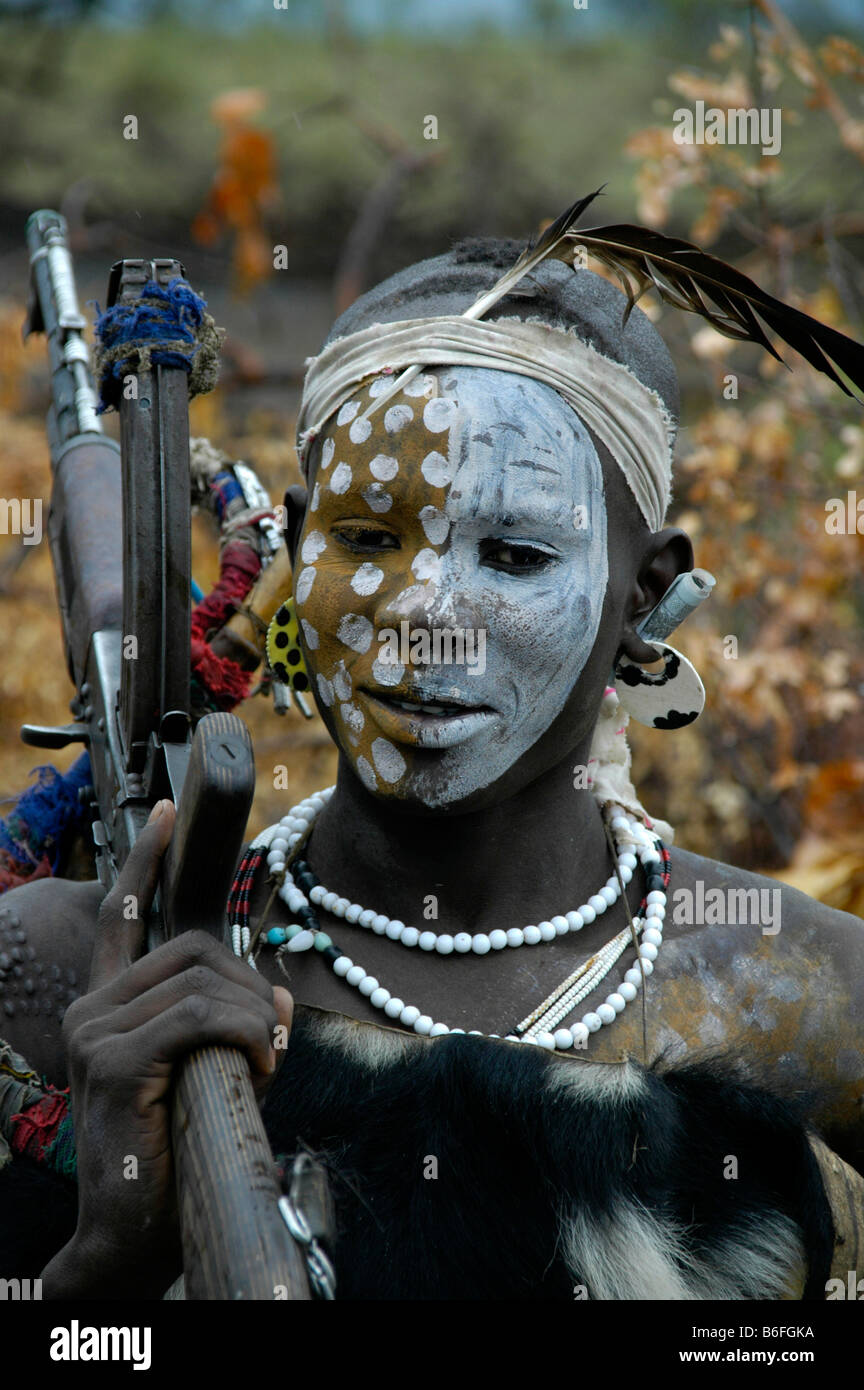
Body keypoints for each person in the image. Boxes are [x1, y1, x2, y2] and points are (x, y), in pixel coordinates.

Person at [0, 232, 862, 1301]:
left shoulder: (797, 994)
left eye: (514, 555)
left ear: (641, 599)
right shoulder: (63, 970)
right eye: (364, 540)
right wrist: (105, 1258)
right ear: (301, 549)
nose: (426, 622)